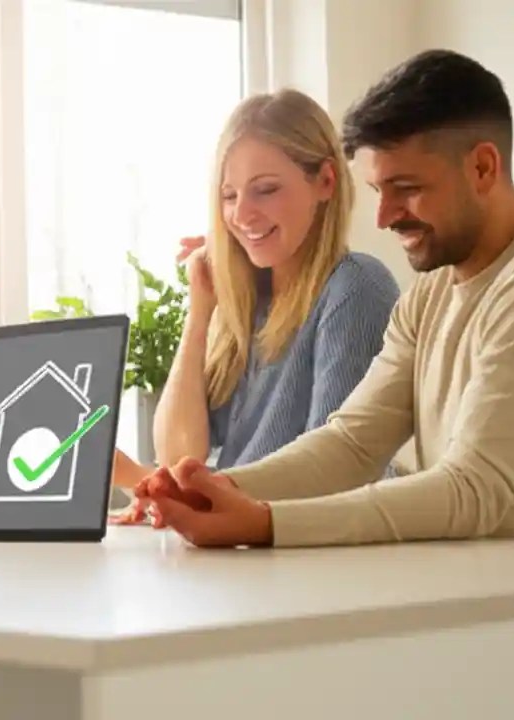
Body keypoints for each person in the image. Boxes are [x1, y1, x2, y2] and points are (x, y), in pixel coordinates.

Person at [134, 49, 514, 549]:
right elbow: (352, 444)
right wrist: (214, 491)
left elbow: (473, 490)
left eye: (406, 187)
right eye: (380, 191)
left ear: (483, 169)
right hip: (496, 601)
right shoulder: (429, 296)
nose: (384, 217)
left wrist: (265, 522)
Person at [110, 88, 401, 523]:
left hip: (323, 562)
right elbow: (178, 455)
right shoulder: (248, 305)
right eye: (229, 196)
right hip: (248, 555)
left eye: (265, 190)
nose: (242, 215)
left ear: (325, 182)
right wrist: (201, 309)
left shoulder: (356, 288)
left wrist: (139, 478)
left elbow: (333, 474)